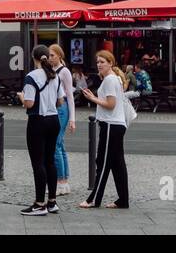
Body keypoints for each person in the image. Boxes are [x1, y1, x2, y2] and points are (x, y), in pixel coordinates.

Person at [79, 50, 130, 209]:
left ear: (110, 63)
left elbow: (111, 104)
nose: (99, 64)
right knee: (117, 164)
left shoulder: (109, 80)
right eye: (98, 62)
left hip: (110, 125)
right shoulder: (114, 79)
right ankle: (123, 200)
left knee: (103, 162)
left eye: (102, 62)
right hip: (116, 124)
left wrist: (93, 98)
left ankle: (94, 199)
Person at [20, 45, 63, 216]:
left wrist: (21, 97)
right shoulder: (55, 75)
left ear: (34, 58)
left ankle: (39, 204)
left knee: (38, 163)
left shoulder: (31, 76)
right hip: (54, 120)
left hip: (38, 120)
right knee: (50, 161)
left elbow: (29, 103)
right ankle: (52, 201)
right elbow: (60, 102)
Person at [48, 44, 77, 196]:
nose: (50, 58)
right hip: (54, 107)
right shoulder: (50, 70)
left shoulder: (64, 71)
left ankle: (61, 181)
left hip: (62, 107)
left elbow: (70, 95)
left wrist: (72, 118)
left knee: (56, 145)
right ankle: (64, 181)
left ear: (59, 56)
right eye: (49, 55)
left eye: (53, 55)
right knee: (60, 145)